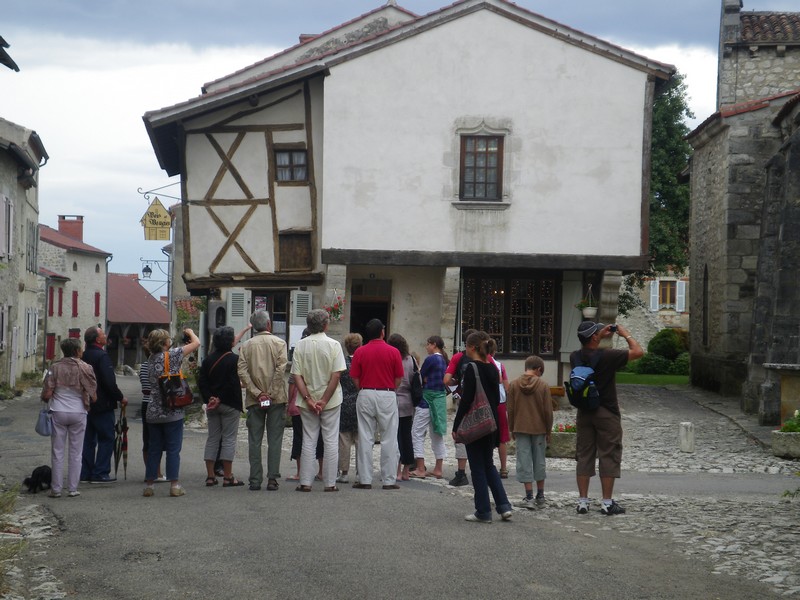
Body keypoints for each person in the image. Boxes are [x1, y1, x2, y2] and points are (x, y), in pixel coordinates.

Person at [573, 321, 643, 516]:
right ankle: (606, 502)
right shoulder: (609, 356)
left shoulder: (575, 356)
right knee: (608, 454)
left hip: (584, 412)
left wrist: (598, 336)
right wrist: (624, 334)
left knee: (584, 454)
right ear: (595, 337)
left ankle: (583, 502)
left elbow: (589, 350)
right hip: (606, 411)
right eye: (597, 332)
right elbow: (638, 352)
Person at [452, 331, 512, 523]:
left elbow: (466, 400)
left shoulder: (471, 369)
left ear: (472, 347)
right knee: (488, 465)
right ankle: (503, 506)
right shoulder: (493, 369)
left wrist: (456, 425)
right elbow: (495, 398)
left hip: (476, 423)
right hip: (491, 421)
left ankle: (483, 510)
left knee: (477, 467)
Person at [291, 309, 346, 492]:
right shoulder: (334, 345)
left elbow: (297, 375)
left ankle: (305, 482)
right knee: (330, 440)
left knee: (308, 439)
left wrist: (308, 398)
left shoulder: (300, 345)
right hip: (330, 399)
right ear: (325, 325)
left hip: (307, 399)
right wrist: (323, 400)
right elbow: (336, 375)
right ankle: (330, 483)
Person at [143, 328, 200, 497]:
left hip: (153, 409)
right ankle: (174, 485)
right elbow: (197, 343)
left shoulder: (150, 359)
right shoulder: (173, 355)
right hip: (172, 408)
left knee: (154, 449)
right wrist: (190, 332)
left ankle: (150, 485)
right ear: (164, 343)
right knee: (173, 449)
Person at [350, 318, 404, 490]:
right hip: (386, 393)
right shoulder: (394, 351)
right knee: (389, 437)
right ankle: (389, 479)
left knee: (365, 437)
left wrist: (363, 389)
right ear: (382, 332)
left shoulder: (360, 352)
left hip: (366, 392)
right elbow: (399, 377)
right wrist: (389, 390)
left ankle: (365, 479)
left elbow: (354, 376)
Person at [237, 309, 288, 492]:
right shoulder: (279, 343)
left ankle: (255, 479)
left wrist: (257, 392)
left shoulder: (247, 345)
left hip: (254, 399)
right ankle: (272, 478)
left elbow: (242, 371)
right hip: (276, 398)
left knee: (254, 440)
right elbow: (281, 369)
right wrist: (271, 392)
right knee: (275, 440)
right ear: (268, 324)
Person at [42, 338, 97, 498]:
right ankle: (72, 488)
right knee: (76, 452)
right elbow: (93, 395)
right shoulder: (86, 368)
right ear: (77, 351)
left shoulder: (54, 367)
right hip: (79, 411)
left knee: (57, 451)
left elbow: (47, 393)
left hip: (58, 411)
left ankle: (56, 489)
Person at [198, 326, 244, 487]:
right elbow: (232, 383)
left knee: (212, 438)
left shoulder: (208, 360)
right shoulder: (234, 359)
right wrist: (220, 398)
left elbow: (202, 381)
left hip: (212, 405)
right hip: (229, 403)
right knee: (229, 439)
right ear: (231, 342)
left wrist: (210, 398)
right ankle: (228, 476)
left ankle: (210, 476)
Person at [80, 326, 126, 484]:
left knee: (88, 439)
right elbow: (108, 382)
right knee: (106, 438)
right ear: (97, 339)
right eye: (102, 334)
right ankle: (100, 473)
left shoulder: (83, 355)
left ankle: (85, 472)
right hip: (102, 403)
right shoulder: (102, 356)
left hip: (85, 403)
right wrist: (120, 397)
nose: (105, 335)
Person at [506, 355, 553, 509]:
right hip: (539, 428)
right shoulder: (543, 386)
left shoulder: (513, 385)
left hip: (520, 427)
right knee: (539, 460)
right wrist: (548, 430)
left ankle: (529, 496)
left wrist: (511, 427)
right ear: (539, 369)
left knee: (524, 460)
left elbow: (510, 409)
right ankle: (540, 494)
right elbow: (548, 411)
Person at [287, 329, 323, 482]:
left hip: (300, 404)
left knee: (300, 438)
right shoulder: (321, 355)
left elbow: (292, 384)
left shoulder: (298, 356)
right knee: (320, 438)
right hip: (319, 402)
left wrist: (290, 402)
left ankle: (301, 473)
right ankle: (321, 472)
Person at [410, 335, 448, 479]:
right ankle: (438, 468)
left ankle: (420, 468)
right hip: (439, 399)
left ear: (434, 345)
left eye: (428, 344)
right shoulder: (443, 360)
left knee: (417, 433)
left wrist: (423, 378)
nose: (426, 347)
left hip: (427, 399)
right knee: (437, 434)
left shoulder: (431, 359)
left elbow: (421, 376)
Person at [443, 328, 477, 487]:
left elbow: (447, 380)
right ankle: (480, 470)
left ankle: (461, 473)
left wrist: (456, 381)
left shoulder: (458, 357)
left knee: (462, 435)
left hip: (463, 399)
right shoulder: (487, 358)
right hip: (481, 401)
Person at [387, 333, 415, 482]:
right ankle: (406, 471)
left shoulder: (392, 358)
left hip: (394, 399)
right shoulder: (411, 360)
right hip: (408, 401)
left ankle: (396, 470)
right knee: (407, 436)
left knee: (396, 437)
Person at [336, 333, 362, 483]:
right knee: (360, 439)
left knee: (344, 439)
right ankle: (360, 471)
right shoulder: (362, 362)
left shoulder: (342, 363)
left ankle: (344, 473)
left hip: (344, 401)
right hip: (360, 400)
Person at [139, 350, 164, 482]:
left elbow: (144, 387)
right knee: (157, 439)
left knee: (147, 438)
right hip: (158, 403)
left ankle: (150, 471)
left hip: (146, 402)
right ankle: (157, 473)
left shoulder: (143, 366)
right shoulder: (161, 364)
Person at [487, 339, 511, 478]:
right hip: (500, 403)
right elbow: (507, 387)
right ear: (494, 351)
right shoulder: (500, 366)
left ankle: (488, 465)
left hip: (487, 403)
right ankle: (503, 468)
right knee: (502, 437)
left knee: (487, 435)